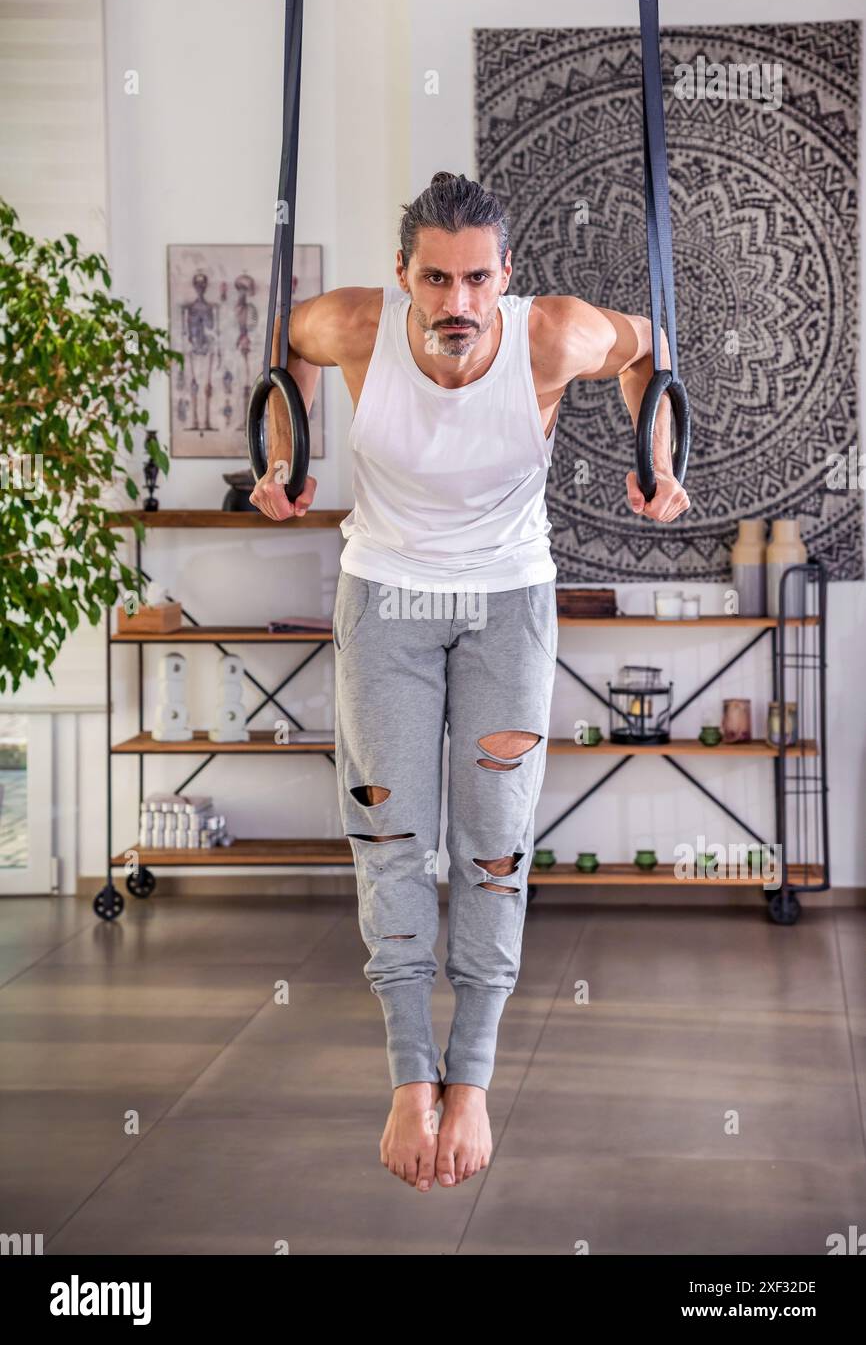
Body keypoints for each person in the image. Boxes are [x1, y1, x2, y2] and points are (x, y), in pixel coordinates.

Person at [250, 171, 689, 1194]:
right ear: (401, 275)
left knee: (492, 841)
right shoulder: (357, 327)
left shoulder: (550, 336)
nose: (455, 302)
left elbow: (647, 347)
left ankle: (474, 1075)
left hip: (506, 601)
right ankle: (411, 1074)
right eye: (435, 278)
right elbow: (285, 339)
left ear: (506, 278)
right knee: (391, 832)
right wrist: (288, 447)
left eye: (476, 279)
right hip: (384, 598)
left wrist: (652, 448)